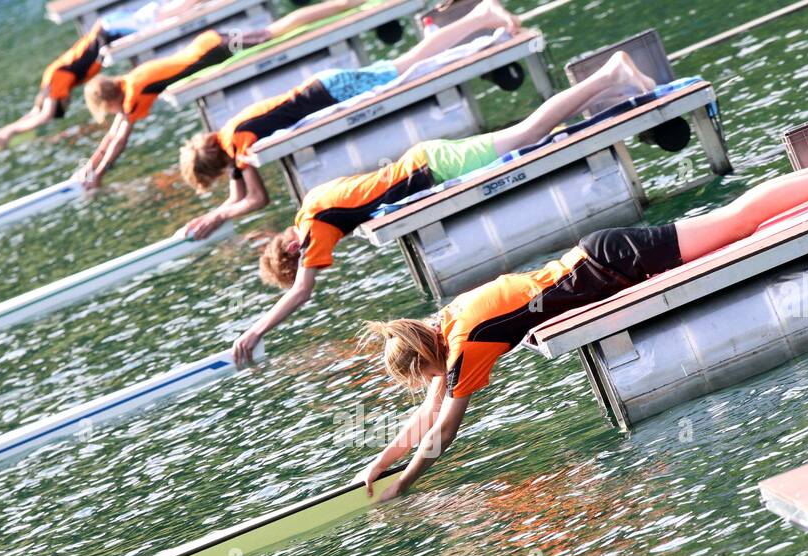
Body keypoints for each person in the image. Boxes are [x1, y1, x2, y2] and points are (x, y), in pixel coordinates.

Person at [355, 143, 808, 500]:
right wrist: (380, 463)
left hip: (611, 261)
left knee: (737, 223)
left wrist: (408, 480)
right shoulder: (448, 321)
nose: (426, 384)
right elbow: (427, 412)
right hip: (600, 256)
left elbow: (443, 427)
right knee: (733, 222)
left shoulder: (467, 342)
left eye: (419, 375)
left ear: (426, 357)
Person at [227, 50, 658, 364]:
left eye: (300, 264)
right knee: (534, 137)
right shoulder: (310, 206)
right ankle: (610, 88)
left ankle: (610, 73)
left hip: (432, 167)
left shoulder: (316, 228)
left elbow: (303, 292)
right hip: (424, 162)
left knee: (529, 133)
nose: (313, 268)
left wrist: (257, 329)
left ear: (290, 252)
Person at [179, 0, 522, 231]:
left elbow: (255, 198)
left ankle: (481, 15)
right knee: (410, 62)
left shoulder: (238, 142)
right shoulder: (229, 135)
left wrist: (218, 216)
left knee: (411, 63)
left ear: (219, 166)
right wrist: (213, 215)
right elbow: (239, 192)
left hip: (332, 91)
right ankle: (474, 20)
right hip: (324, 87)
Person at [80, 0, 365, 187]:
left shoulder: (134, 94)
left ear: (111, 100)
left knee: (276, 31)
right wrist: (90, 166)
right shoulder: (131, 82)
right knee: (274, 30)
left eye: (110, 110)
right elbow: (114, 133)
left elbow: (120, 138)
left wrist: (99, 174)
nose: (115, 114)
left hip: (213, 50)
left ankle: (347, 3)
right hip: (207, 44)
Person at [0, 0, 210, 148]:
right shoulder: (51, 82)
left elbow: (44, 114)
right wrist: (9, 128)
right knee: (160, 14)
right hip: (107, 29)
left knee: (161, 16)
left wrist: (10, 132)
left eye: (64, 103)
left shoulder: (56, 79)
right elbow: (36, 112)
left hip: (107, 32)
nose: (67, 100)